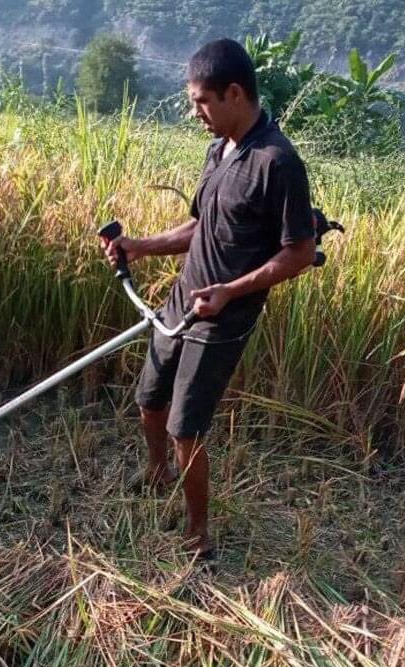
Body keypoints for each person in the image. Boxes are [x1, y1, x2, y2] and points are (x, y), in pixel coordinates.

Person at [100, 37, 318, 560]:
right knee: (149, 398)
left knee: (186, 425)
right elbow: (202, 227)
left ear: (235, 93)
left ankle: (198, 533)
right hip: (183, 299)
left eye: (201, 100)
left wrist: (229, 292)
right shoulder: (217, 148)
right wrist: (140, 246)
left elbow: (299, 254)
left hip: (223, 317)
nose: (195, 111)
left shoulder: (277, 162)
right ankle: (157, 473)